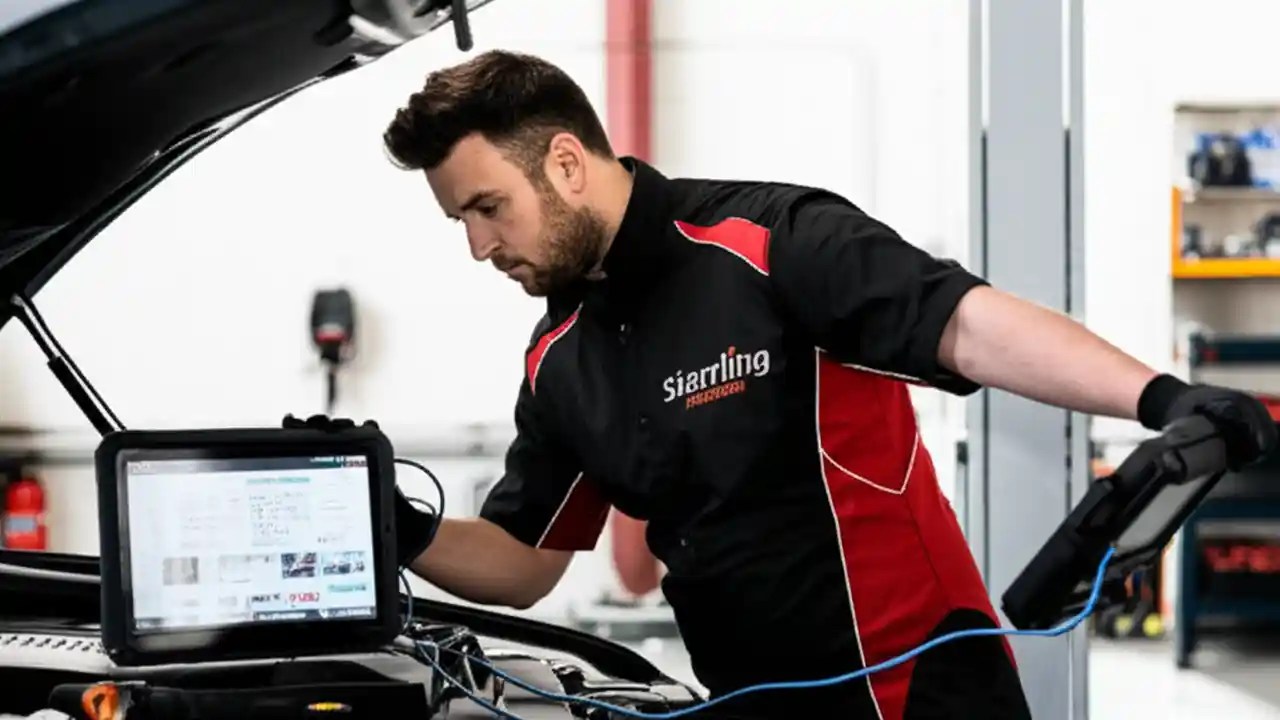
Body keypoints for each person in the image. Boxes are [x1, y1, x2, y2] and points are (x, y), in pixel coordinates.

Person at [381, 50, 1277, 719]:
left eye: (488, 207)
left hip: (915, 691)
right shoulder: (559, 357)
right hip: (745, 701)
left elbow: (967, 325)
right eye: (461, 221)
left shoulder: (769, 240)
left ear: (566, 163)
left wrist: (1163, 399)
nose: (479, 246)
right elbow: (525, 559)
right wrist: (393, 525)